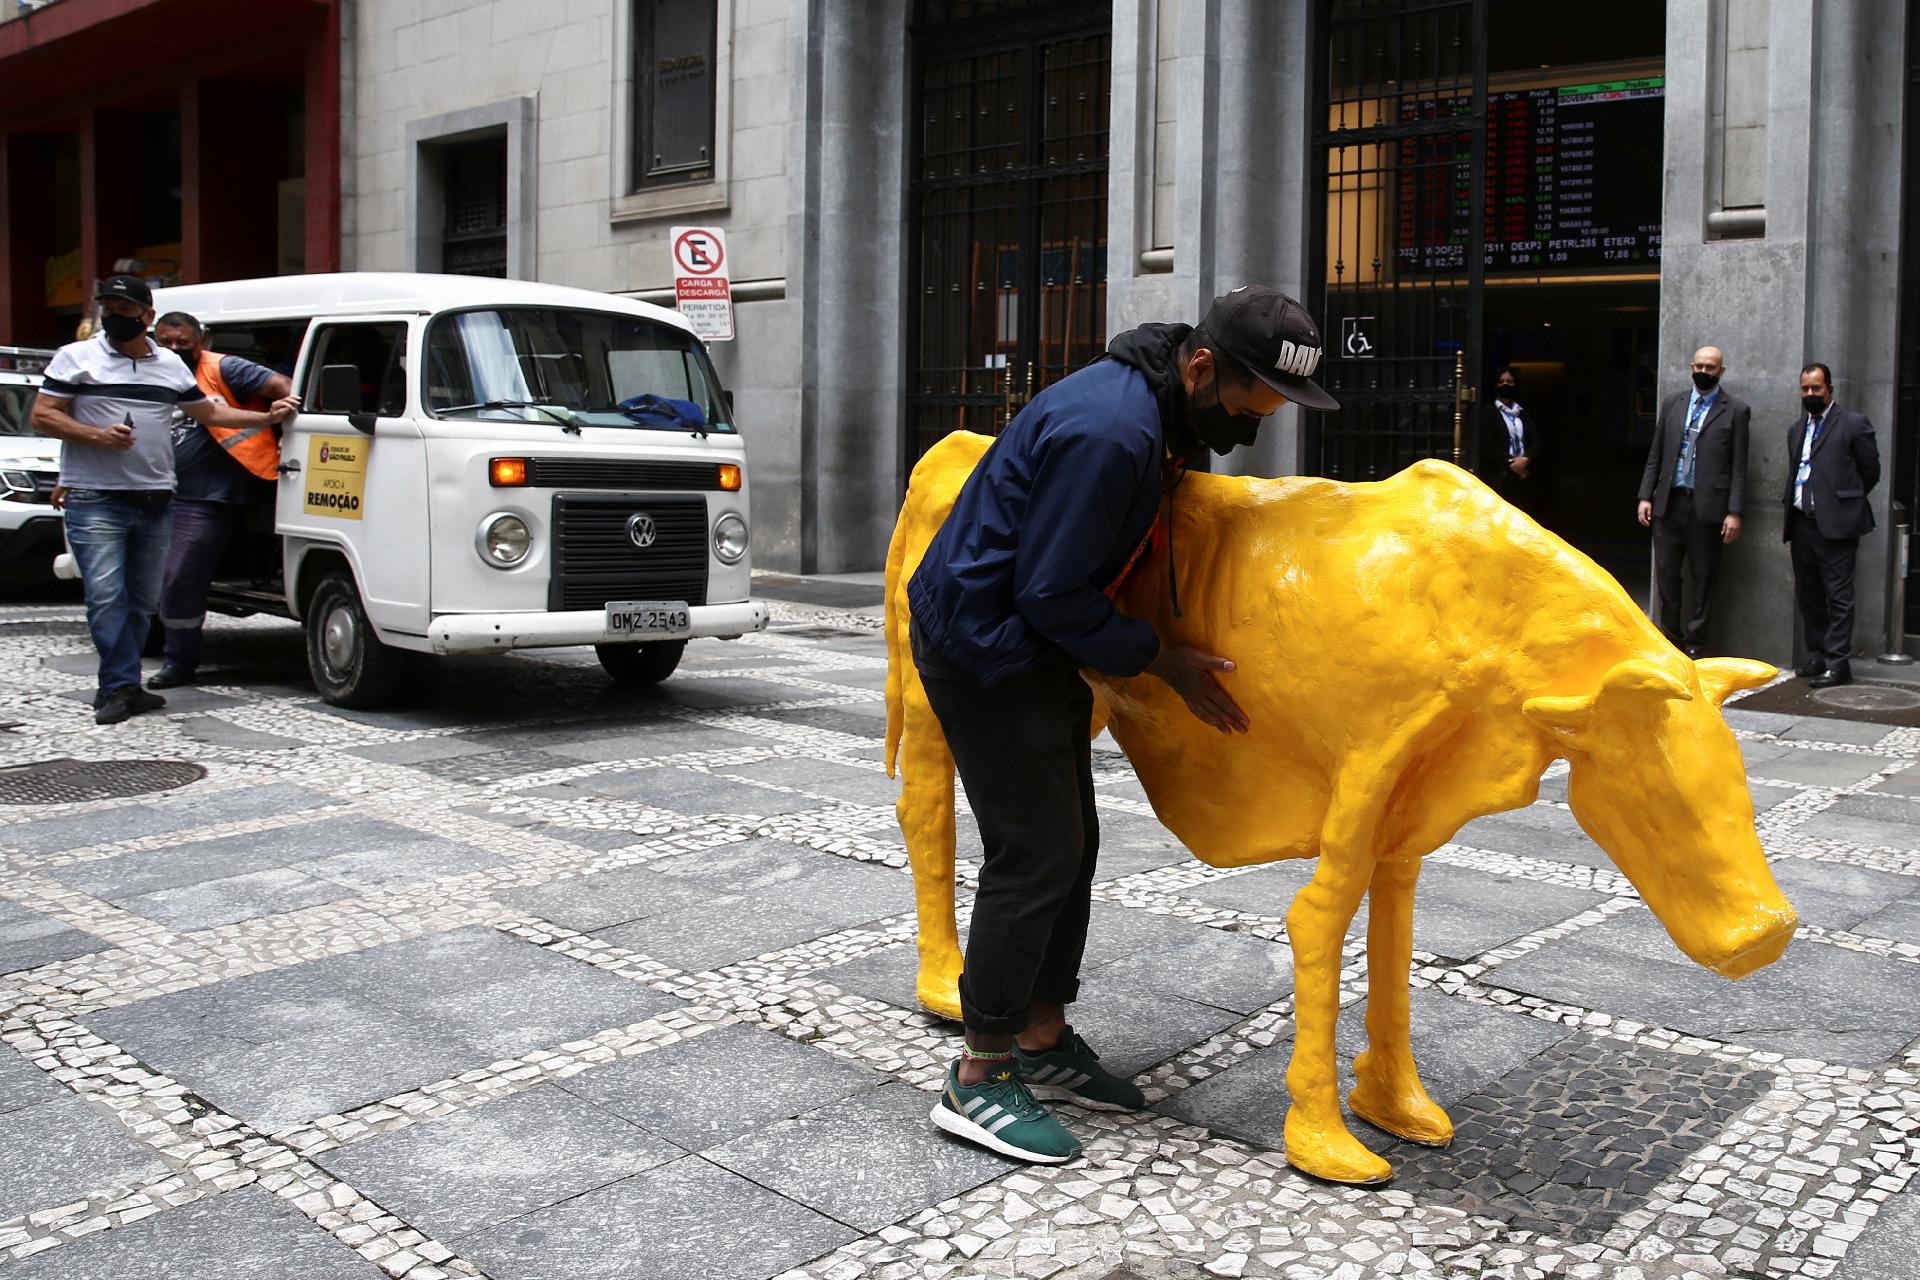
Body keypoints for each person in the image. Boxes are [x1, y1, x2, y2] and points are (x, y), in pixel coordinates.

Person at [908, 285, 1339, 1163]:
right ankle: (979, 1076)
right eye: (1250, 403)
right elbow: (1049, 588)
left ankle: (1039, 1032)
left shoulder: (1155, 408)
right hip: (986, 646)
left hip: (1029, 644)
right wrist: (1162, 660)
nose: (1254, 426)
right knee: (1035, 855)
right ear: (1202, 365)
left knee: (1074, 842)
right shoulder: (1115, 432)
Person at [31, 276, 297, 725]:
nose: (115, 316)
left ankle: (127, 684)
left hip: (156, 498)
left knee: (142, 600)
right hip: (97, 499)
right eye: (108, 307)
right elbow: (43, 415)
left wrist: (265, 416)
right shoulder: (76, 357)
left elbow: (208, 411)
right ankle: (116, 686)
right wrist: (97, 436)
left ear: (146, 316)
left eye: (125, 308)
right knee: (106, 596)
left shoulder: (169, 366)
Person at [148, 311, 292, 689]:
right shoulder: (142, 369)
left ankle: (180, 660)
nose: (175, 350)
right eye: (166, 343)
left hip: (202, 496)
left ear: (202, 341)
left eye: (184, 343)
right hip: (147, 490)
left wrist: (280, 410)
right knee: (143, 579)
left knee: (181, 578)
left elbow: (283, 385)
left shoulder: (223, 368)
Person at [1636, 346, 1751, 658]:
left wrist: (1735, 511)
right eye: (1699, 365)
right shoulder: (1674, 403)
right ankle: (1669, 641)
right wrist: (1646, 495)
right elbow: (1656, 454)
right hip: (1668, 504)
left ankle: (1696, 645)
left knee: (1704, 577)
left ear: (1721, 371)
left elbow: (1739, 466)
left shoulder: (1736, 410)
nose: (1703, 371)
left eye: (1710, 367)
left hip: (1708, 508)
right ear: (1691, 366)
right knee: (1667, 575)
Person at [1783, 362, 1880, 688]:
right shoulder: (1796, 429)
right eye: (1805, 389)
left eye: (1816, 389)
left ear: (1830, 390)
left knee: (1838, 596)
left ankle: (1839, 664)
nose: (1810, 394)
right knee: (1809, 594)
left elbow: (1870, 471)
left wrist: (1841, 503)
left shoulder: (1852, 424)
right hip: (1801, 524)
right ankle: (1818, 655)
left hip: (1837, 525)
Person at [1480, 367, 1541, 515]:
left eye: (1509, 381)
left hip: (1523, 476)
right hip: (1501, 477)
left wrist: (1526, 459)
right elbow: (1488, 445)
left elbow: (1535, 440)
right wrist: (1512, 464)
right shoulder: (1488, 413)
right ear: (1495, 385)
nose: (1505, 385)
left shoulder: (1523, 413)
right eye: (1501, 381)